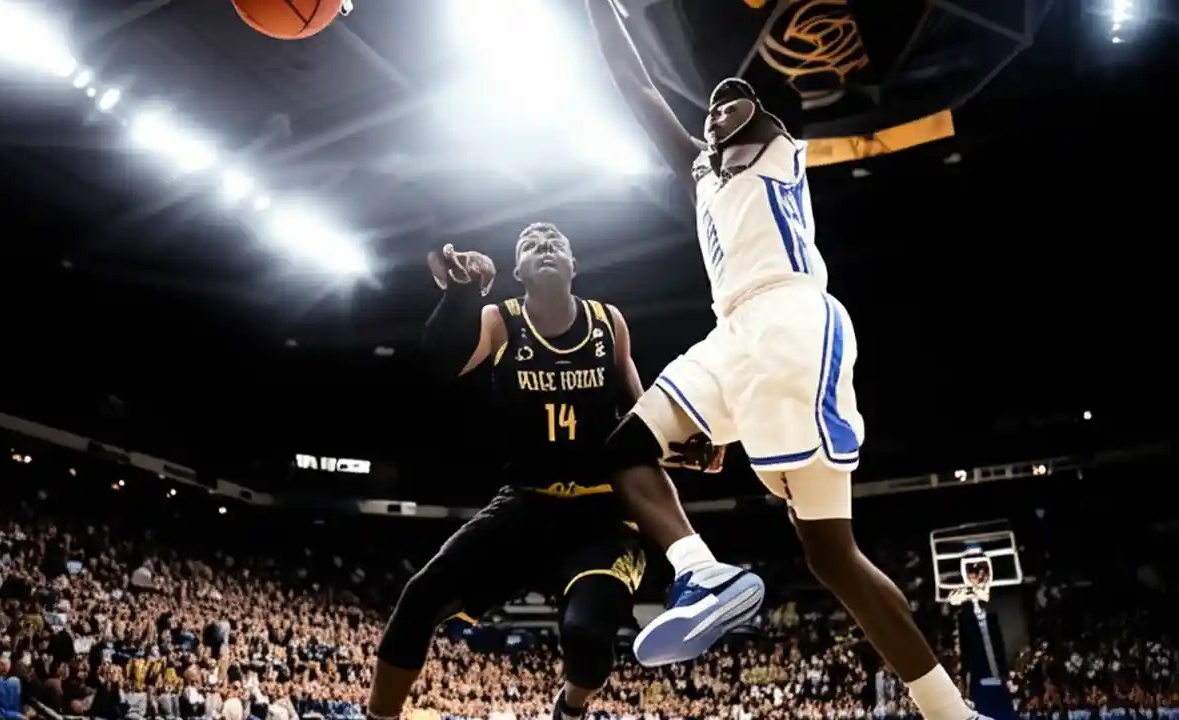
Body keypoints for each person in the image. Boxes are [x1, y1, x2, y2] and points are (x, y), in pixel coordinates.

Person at [584, 3, 987, 720]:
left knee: (833, 553)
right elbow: (636, 86)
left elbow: (769, 83)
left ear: (764, 116)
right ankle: (700, 573)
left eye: (733, 100)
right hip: (731, 334)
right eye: (710, 108)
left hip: (792, 320)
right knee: (626, 451)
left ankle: (951, 714)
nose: (719, 107)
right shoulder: (702, 174)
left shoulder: (775, 145)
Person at [366, 223, 724, 720]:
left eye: (556, 242)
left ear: (574, 265)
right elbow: (444, 360)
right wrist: (463, 294)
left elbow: (639, 413)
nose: (545, 247)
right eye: (531, 244)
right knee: (419, 597)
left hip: (602, 515)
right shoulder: (500, 319)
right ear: (517, 271)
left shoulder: (608, 322)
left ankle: (571, 705)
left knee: (586, 635)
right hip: (525, 504)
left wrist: (688, 443)